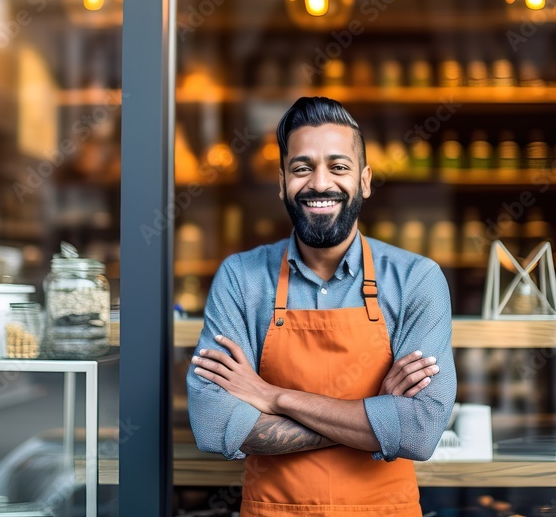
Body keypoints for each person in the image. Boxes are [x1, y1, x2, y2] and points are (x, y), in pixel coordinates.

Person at [186, 96, 457, 516]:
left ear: (364, 180)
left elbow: (418, 433)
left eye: (338, 166)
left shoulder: (416, 279)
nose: (320, 183)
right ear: (282, 183)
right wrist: (376, 417)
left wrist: (271, 397)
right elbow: (213, 424)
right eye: (302, 168)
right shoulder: (241, 278)